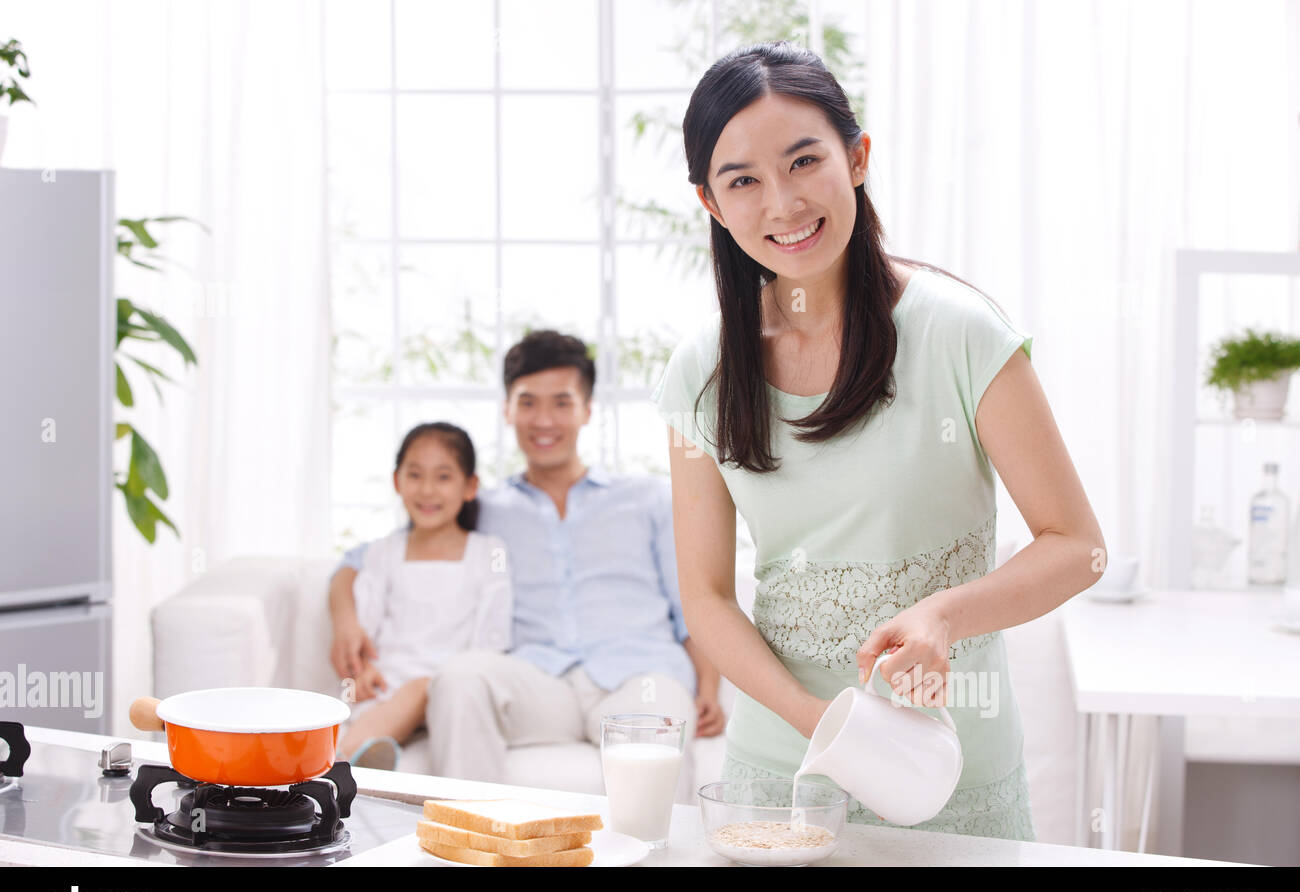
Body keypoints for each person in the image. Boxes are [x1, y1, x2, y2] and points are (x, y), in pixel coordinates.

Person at [652, 42, 1106, 839]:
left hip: (946, 764)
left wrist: (944, 617)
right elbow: (708, 598)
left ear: (857, 158)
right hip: (782, 768)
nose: (783, 204)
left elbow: (1076, 546)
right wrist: (824, 726)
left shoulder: (961, 334)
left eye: (804, 162)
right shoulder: (701, 370)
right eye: (744, 181)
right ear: (712, 205)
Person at [329, 330, 723, 784]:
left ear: (587, 409)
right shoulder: (484, 507)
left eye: (561, 402)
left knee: (659, 726)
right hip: (538, 682)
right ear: (507, 410)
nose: (544, 420)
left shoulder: (646, 499)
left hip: (637, 677)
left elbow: (695, 600)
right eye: (528, 402)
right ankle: (471, 845)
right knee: (460, 677)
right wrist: (346, 623)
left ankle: (661, 856)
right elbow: (359, 560)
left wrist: (707, 686)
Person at [336, 422, 511, 770]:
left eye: (444, 477)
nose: (427, 490)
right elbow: (364, 629)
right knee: (352, 699)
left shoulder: (488, 552)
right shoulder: (384, 552)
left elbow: (490, 643)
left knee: (425, 688)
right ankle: (353, 755)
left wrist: (451, 687)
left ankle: (340, 765)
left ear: (470, 486)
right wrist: (363, 669)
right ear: (397, 481)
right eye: (415, 475)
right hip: (385, 689)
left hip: (452, 693)